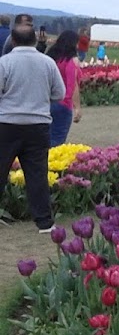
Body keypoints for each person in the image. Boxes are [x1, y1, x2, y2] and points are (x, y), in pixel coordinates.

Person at [0, 23, 65, 232]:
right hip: (38, 125)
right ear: (36, 40)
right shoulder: (47, 63)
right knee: (37, 174)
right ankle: (44, 222)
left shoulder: (5, 62)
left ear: (13, 40)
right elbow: (60, 93)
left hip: (7, 124)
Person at [46, 31, 83, 146]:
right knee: (57, 140)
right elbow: (72, 85)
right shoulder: (70, 61)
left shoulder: (50, 57)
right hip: (63, 103)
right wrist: (77, 108)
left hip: (46, 101)